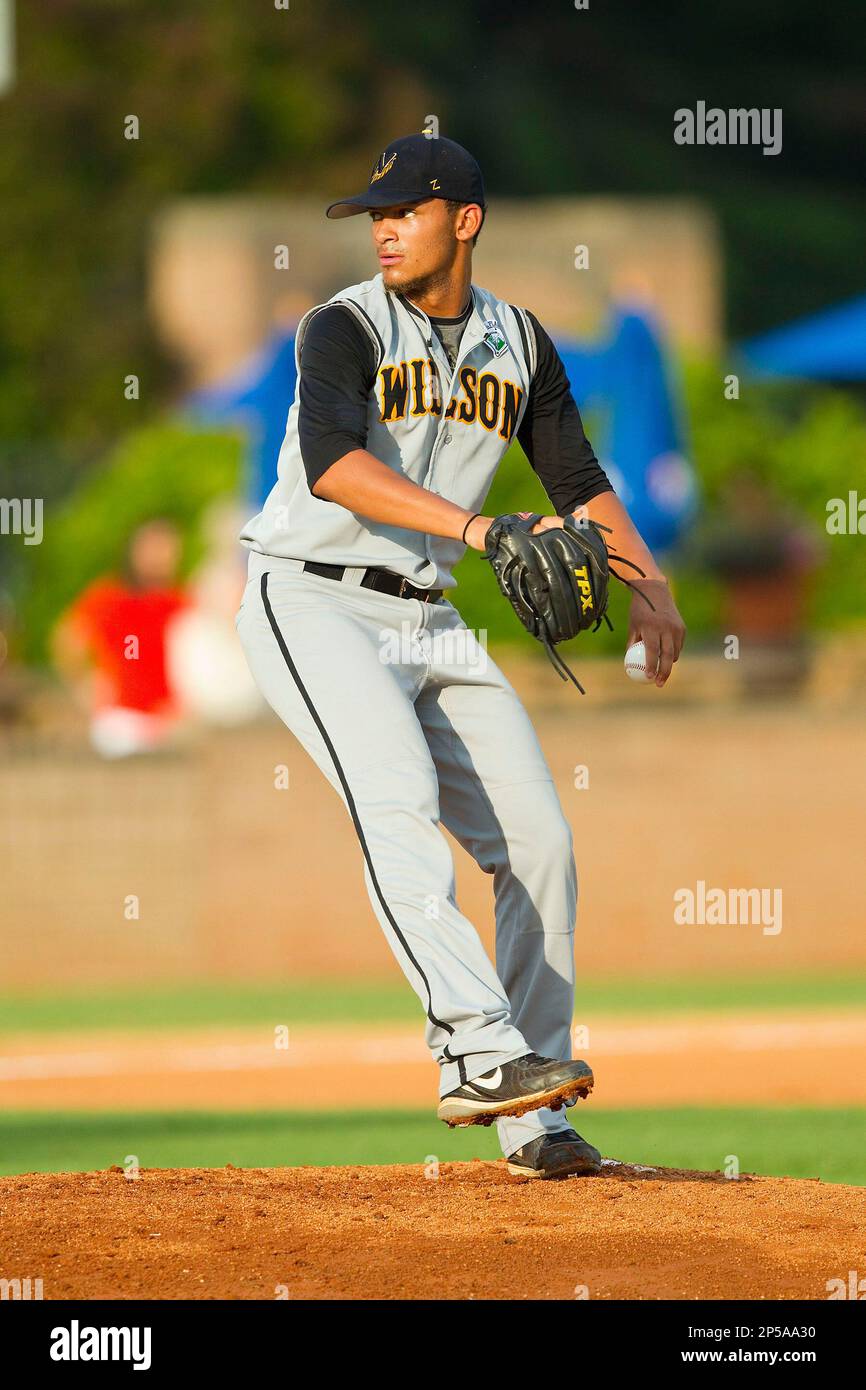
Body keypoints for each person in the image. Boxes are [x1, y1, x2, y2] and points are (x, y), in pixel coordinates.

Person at [236, 134, 685, 1179]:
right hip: (310, 601)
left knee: (538, 841)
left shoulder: (519, 342)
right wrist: (484, 533)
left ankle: (538, 1121)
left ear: (464, 220)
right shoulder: (339, 327)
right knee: (393, 803)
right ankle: (476, 1051)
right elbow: (335, 466)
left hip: (425, 614)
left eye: (404, 210)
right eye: (374, 216)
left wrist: (649, 584)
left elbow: (574, 476)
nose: (384, 229)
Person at [53, 518, 189, 758]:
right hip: (120, 719)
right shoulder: (109, 598)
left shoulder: (181, 602)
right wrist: (83, 684)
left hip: (170, 721)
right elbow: (67, 639)